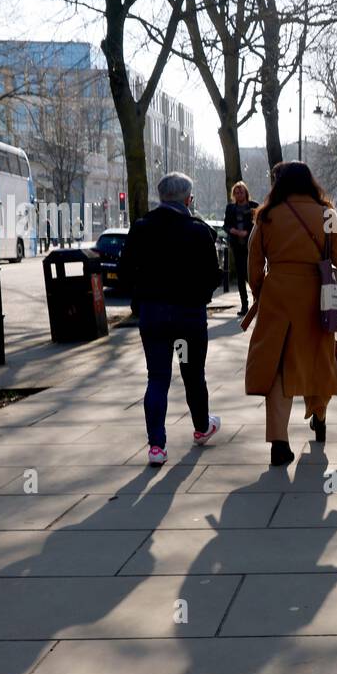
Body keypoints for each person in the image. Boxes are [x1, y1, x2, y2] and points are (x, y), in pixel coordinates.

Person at [243, 161, 337, 467]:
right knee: (318, 359)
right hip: (316, 297)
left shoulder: (266, 216)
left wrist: (260, 293)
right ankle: (319, 416)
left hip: (278, 297)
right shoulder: (327, 215)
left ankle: (279, 443)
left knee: (279, 367)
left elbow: (254, 267)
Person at [120, 172, 223, 466]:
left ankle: (157, 446)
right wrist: (198, 296)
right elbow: (213, 276)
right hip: (186, 320)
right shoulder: (198, 231)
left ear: (161, 196)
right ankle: (202, 427)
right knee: (192, 374)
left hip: (154, 317)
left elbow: (126, 271)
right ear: (189, 199)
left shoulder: (141, 228)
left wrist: (142, 296)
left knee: (157, 378)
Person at [223, 181, 258, 315]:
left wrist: (247, 233)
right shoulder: (230, 208)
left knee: (251, 275)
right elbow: (226, 225)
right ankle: (245, 306)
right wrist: (233, 231)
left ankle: (258, 301)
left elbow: (259, 225)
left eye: (241, 192)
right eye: (236, 193)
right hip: (237, 246)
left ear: (246, 193)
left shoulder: (254, 206)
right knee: (240, 276)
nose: (238, 195)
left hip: (251, 246)